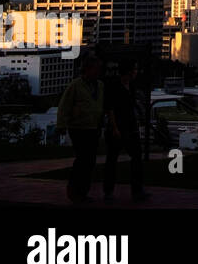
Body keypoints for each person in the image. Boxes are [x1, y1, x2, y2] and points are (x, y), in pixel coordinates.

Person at [57, 53, 104, 204]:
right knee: (83, 159)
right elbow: (64, 106)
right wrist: (62, 124)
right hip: (78, 127)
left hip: (93, 127)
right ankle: (74, 190)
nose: (98, 72)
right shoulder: (75, 86)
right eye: (95, 69)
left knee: (89, 161)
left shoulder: (100, 86)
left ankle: (83, 191)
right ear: (87, 69)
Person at [103, 59, 149, 202]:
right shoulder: (114, 86)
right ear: (129, 72)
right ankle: (108, 191)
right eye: (134, 70)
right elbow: (109, 109)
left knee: (136, 157)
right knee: (112, 159)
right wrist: (115, 128)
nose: (136, 72)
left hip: (131, 126)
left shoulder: (132, 86)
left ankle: (137, 189)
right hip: (118, 127)